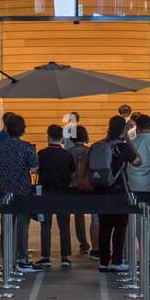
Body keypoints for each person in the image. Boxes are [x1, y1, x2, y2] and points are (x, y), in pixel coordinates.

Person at [0, 114, 40, 272]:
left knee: (6, 226)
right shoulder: (27, 147)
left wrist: (0, 180)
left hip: (6, 191)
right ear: (22, 130)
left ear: (7, 130)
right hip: (23, 191)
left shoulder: (0, 148)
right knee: (23, 227)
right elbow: (35, 168)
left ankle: (7, 259)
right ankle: (22, 259)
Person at [94, 116, 141, 272]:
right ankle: (116, 261)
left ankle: (103, 262)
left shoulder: (99, 145)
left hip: (101, 192)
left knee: (104, 228)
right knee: (120, 229)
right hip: (120, 192)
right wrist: (128, 140)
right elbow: (138, 161)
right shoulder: (123, 147)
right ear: (123, 130)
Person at [125, 113, 150, 262]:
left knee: (140, 223)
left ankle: (148, 256)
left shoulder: (132, 144)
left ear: (137, 127)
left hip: (135, 187)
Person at [37, 123, 76, 267]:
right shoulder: (67, 154)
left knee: (45, 226)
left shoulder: (41, 154)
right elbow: (73, 173)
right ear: (62, 138)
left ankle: (45, 256)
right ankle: (65, 257)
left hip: (46, 193)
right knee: (64, 226)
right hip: (63, 193)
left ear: (48, 136)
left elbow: (35, 170)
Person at [69, 124, 95, 255]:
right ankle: (96, 245)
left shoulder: (69, 152)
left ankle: (83, 243)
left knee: (78, 217)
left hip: (74, 186)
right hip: (89, 186)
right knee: (95, 216)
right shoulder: (90, 150)